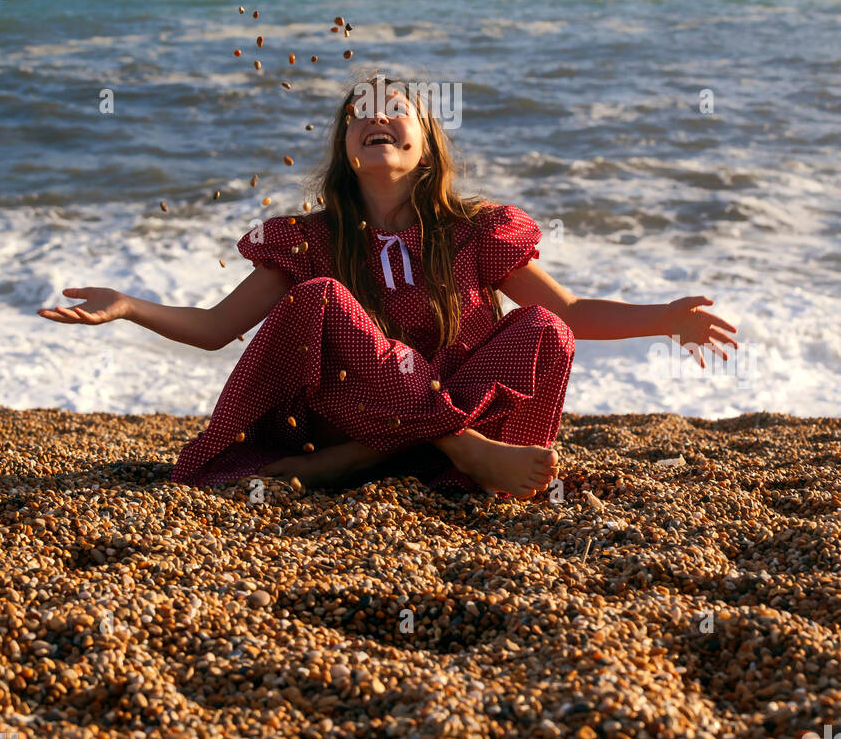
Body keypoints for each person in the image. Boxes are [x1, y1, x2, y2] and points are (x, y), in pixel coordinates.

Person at [38, 73, 736, 499]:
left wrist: (666, 318)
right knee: (324, 300)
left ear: (428, 142)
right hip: (353, 410)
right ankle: (456, 448)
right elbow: (218, 328)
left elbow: (570, 312)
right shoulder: (310, 241)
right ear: (345, 146)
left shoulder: (473, 231)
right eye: (358, 112)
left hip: (435, 417)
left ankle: (385, 460)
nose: (376, 115)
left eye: (395, 106)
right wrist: (128, 307)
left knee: (543, 331)